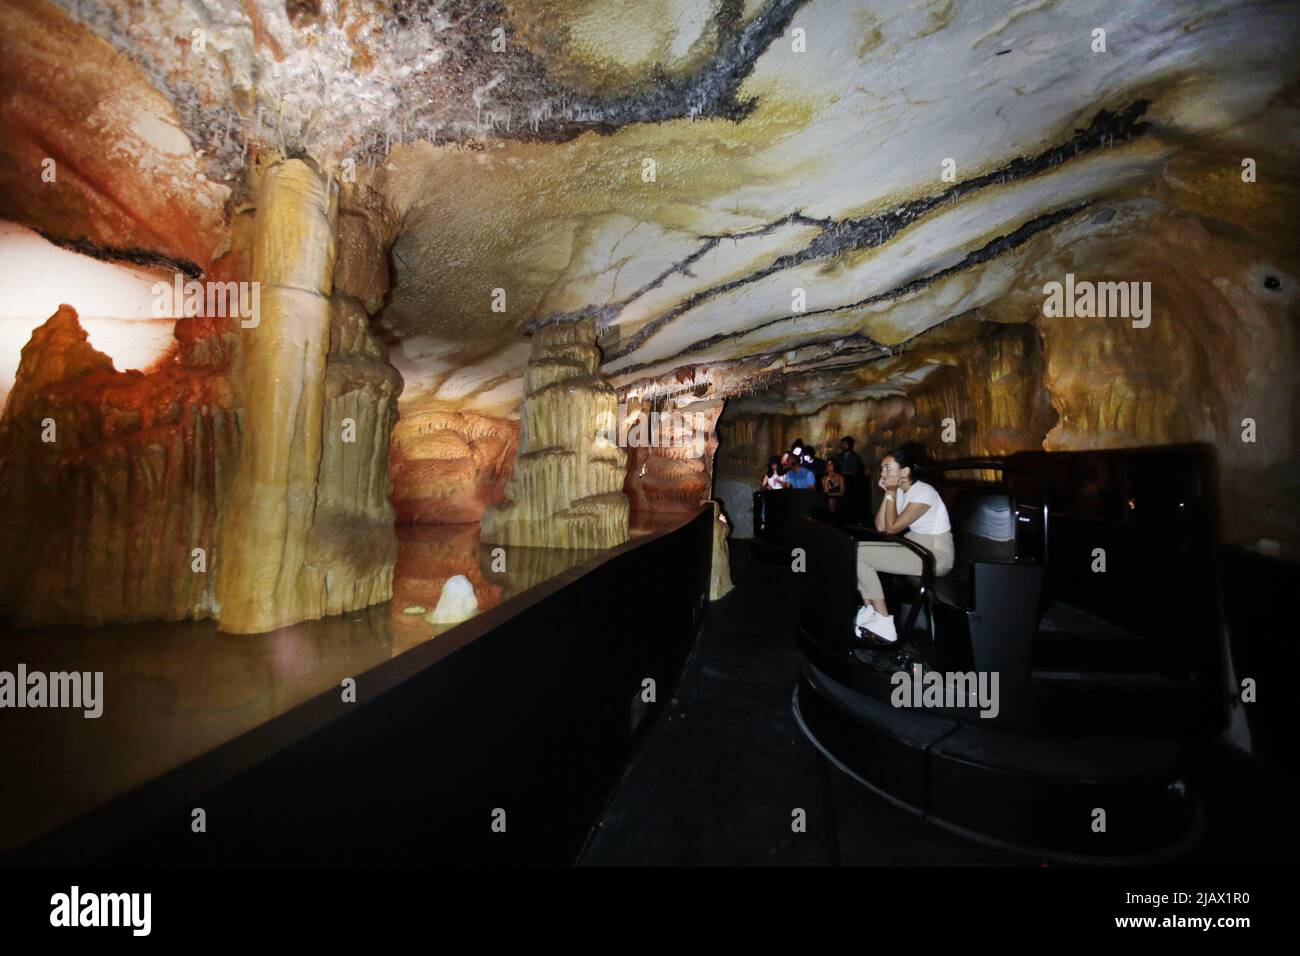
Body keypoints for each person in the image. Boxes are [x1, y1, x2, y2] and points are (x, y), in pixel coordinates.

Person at [854, 446, 953, 644]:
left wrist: (891, 492)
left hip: (935, 554)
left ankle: (884, 622)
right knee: (854, 550)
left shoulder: (924, 492)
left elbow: (891, 529)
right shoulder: (900, 492)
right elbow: (881, 527)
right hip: (916, 546)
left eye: (888, 468)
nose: (882, 473)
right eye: (882, 469)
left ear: (905, 471)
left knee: (862, 556)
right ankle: (871, 611)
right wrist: (888, 494)